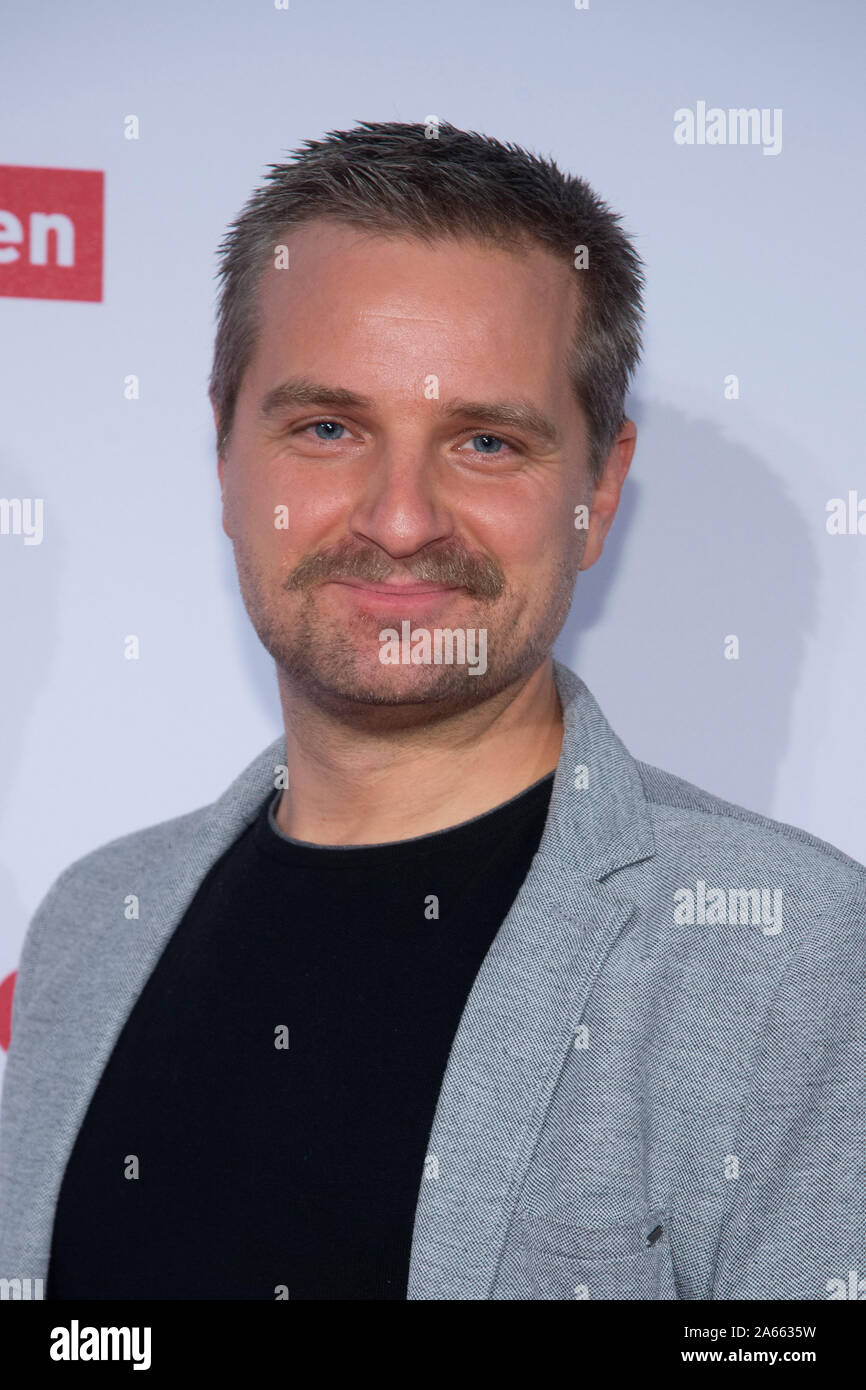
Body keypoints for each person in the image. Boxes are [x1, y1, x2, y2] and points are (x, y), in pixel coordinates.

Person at [0, 121, 863, 1302]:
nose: (400, 518)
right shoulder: (93, 924)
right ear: (222, 451)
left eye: (485, 441)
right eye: (327, 428)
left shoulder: (798, 956)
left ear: (596, 492)